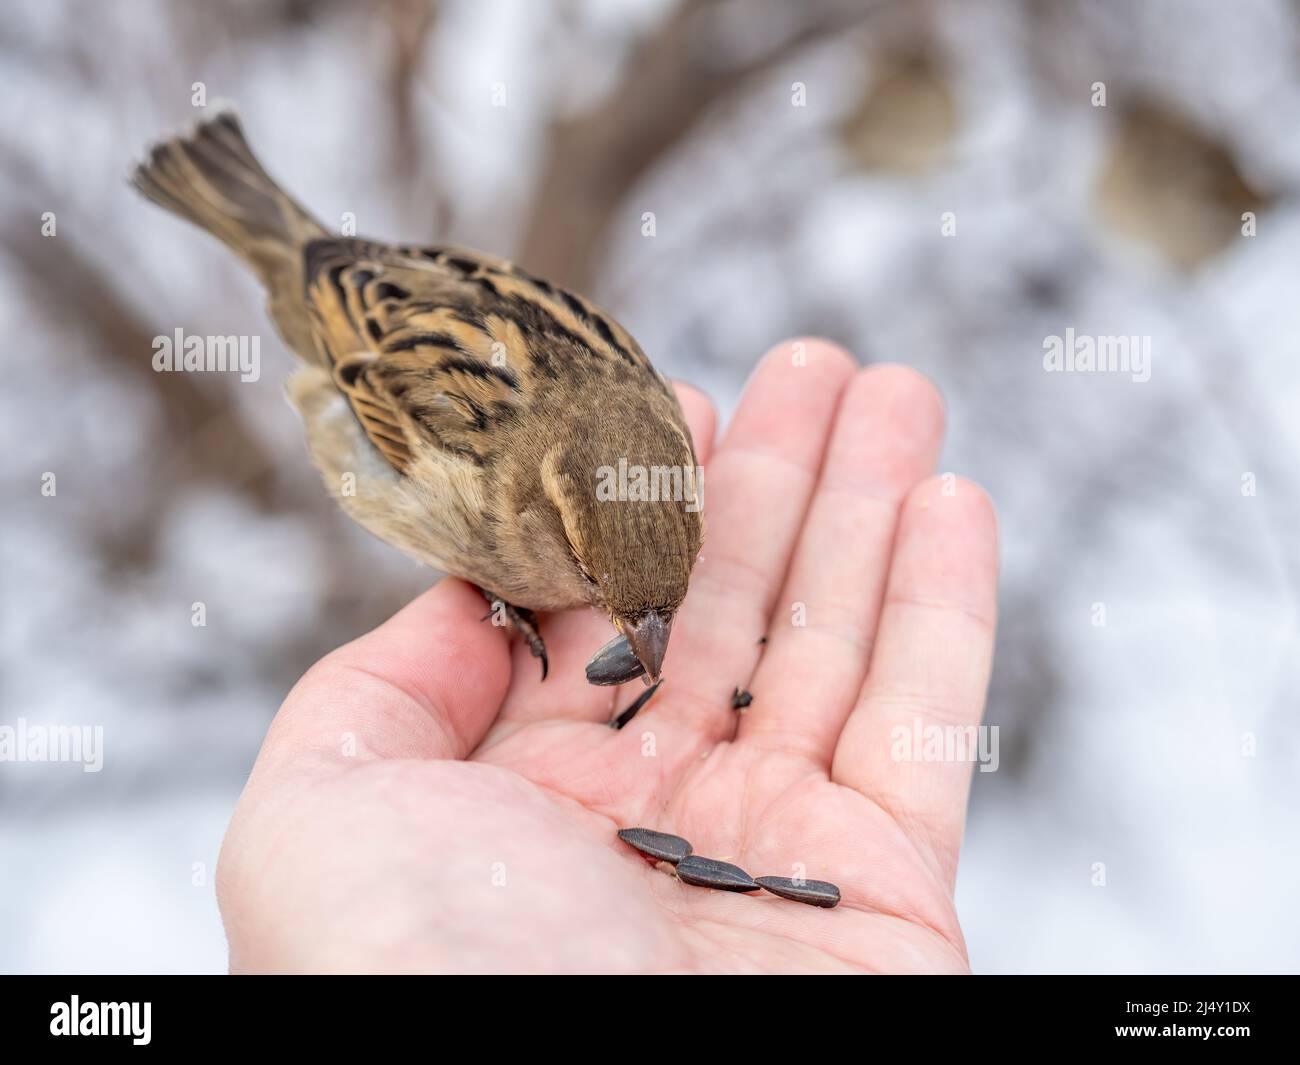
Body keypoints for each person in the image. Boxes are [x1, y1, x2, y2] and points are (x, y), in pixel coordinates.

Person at [215, 339, 999, 973]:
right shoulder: (482, 469)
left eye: (677, 585)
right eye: (602, 581)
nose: (651, 644)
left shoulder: (650, 442)